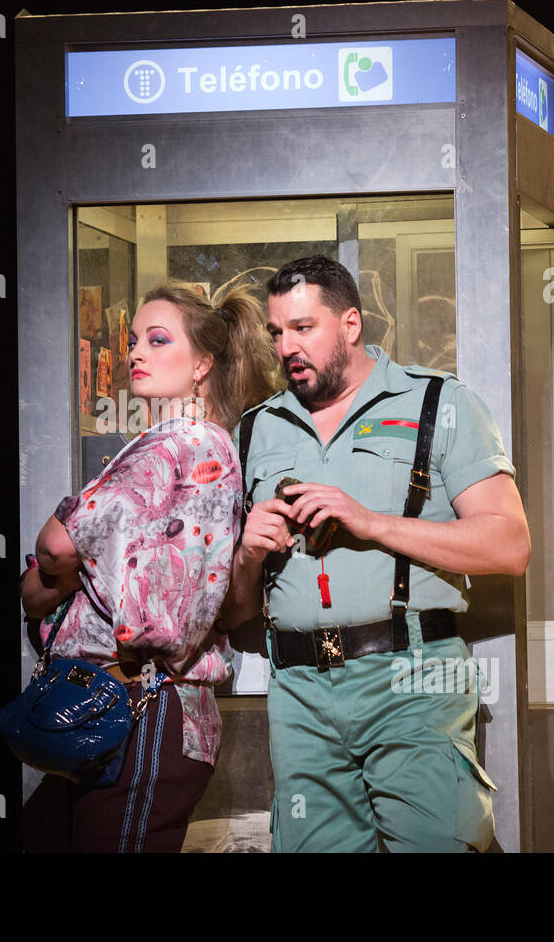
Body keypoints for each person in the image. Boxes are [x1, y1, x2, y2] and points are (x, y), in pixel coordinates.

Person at [218, 255, 531, 852]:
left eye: (304, 328)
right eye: (277, 332)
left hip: (413, 675)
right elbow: (235, 614)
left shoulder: (438, 403)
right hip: (299, 689)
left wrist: (370, 522)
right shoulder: (259, 428)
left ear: (352, 325)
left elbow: (509, 545)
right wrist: (246, 556)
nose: (288, 347)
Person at [20, 280, 279, 852]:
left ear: (202, 364)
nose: (136, 352)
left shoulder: (175, 446)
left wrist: (61, 565)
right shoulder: (202, 446)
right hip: (141, 714)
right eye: (134, 340)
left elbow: (54, 549)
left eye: (158, 340)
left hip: (141, 711)